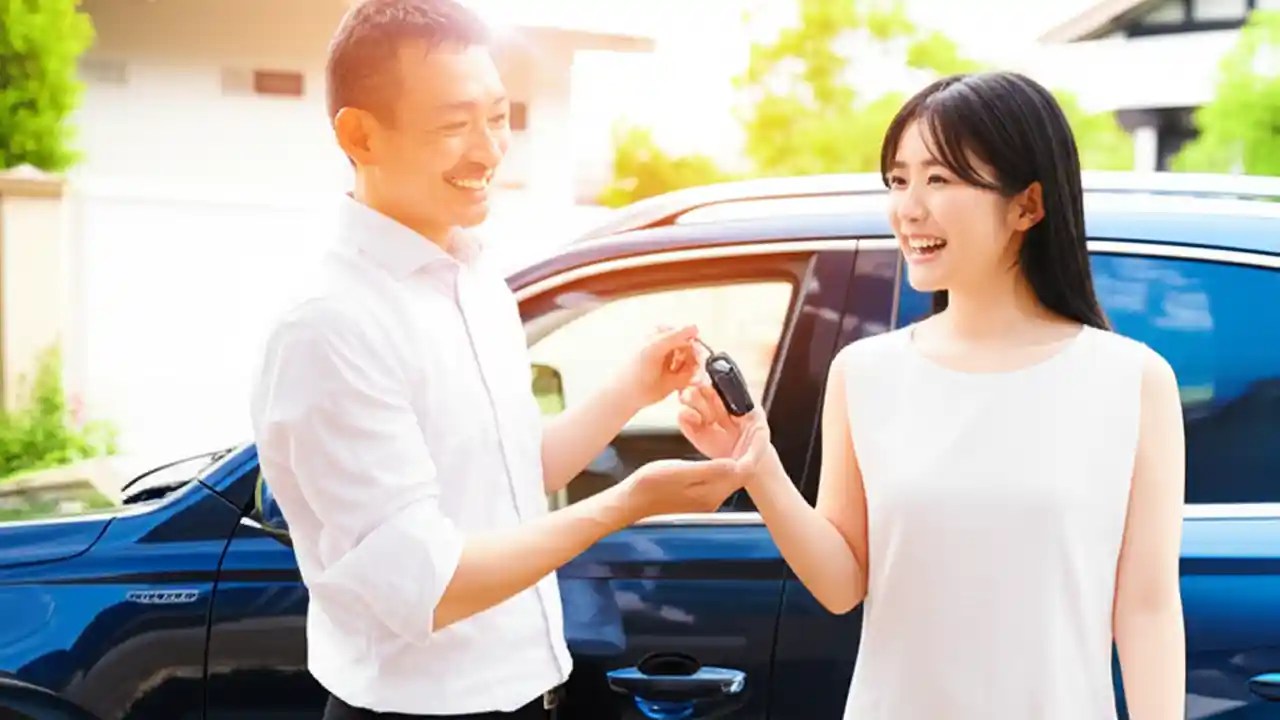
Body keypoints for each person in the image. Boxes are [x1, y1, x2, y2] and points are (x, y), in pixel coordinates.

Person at [248, 1, 753, 718]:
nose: (487, 149)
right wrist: (628, 504)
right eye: (455, 124)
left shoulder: (475, 276)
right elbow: (432, 583)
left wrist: (629, 389)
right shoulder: (330, 327)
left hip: (528, 696)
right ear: (360, 135)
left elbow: (516, 474)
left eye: (499, 116)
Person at [679, 71, 1187, 719]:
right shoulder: (864, 373)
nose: (908, 207)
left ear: (1027, 205)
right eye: (898, 180)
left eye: (940, 179)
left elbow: (1146, 611)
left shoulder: (1132, 380)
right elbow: (843, 585)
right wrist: (760, 468)